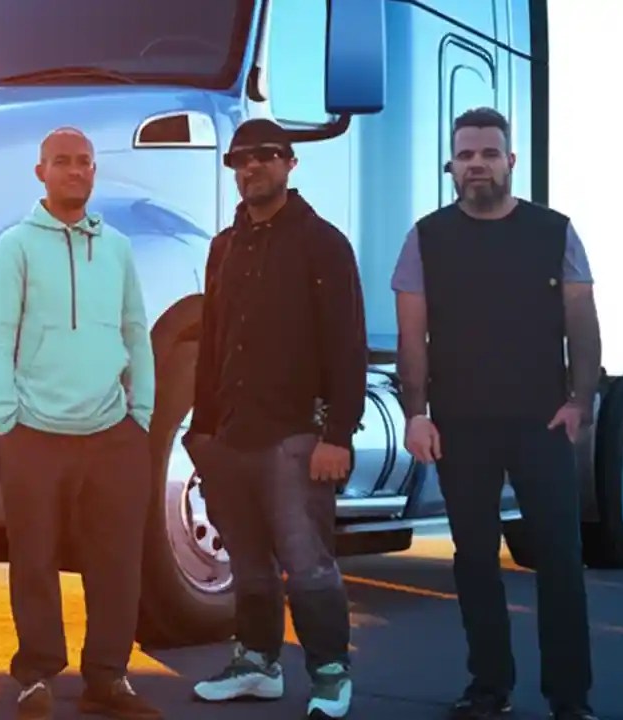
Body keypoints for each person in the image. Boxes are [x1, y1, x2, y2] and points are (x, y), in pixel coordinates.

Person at [392, 107, 600, 720]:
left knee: (560, 559)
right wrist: (416, 414)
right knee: (475, 561)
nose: (476, 163)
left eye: (488, 153)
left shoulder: (554, 230)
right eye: (465, 154)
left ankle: (570, 698)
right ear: (451, 166)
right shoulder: (425, 237)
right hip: (460, 425)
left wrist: (579, 401)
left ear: (511, 161)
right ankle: (489, 689)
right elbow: (411, 337)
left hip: (541, 422)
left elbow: (581, 322)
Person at [184, 118, 366, 720]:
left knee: (307, 561)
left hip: (294, 436)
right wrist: (201, 432)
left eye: (263, 157)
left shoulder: (323, 243)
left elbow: (347, 344)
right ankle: (257, 665)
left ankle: (331, 676)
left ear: (290, 164)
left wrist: (337, 434)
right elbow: (214, 343)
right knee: (250, 563)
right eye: (240, 160)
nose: (250, 168)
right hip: (229, 438)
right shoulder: (224, 248)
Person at [0, 127, 161, 720]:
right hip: (33, 430)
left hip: (112, 431)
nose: (75, 171)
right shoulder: (14, 246)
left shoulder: (118, 248)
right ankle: (36, 678)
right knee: (33, 560)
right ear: (42, 173)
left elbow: (137, 327)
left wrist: (142, 413)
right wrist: (8, 416)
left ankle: (107, 677)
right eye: (62, 162)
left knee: (116, 562)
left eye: (84, 162)